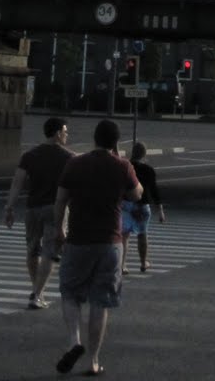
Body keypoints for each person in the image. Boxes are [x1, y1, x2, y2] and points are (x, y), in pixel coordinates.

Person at [52, 117, 142, 378]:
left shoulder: (75, 163)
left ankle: (73, 341)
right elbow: (137, 194)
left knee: (69, 292)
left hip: (78, 239)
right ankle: (92, 361)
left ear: (95, 138)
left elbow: (60, 200)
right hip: (110, 243)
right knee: (100, 301)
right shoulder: (122, 166)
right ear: (116, 142)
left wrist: (59, 229)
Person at [4, 115, 73, 308]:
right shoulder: (69, 158)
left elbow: (17, 183)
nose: (67, 135)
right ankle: (37, 294)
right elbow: (75, 186)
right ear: (58, 133)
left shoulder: (29, 155)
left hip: (32, 208)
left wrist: (9, 207)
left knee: (32, 250)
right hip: (56, 209)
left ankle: (36, 290)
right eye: (65, 132)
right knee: (50, 252)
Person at [120, 141, 164, 274]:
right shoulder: (148, 170)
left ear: (132, 153)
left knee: (124, 236)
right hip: (142, 206)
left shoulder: (125, 167)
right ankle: (143, 262)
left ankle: (122, 265)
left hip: (126, 205)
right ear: (144, 154)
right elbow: (154, 191)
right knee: (142, 234)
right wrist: (160, 210)